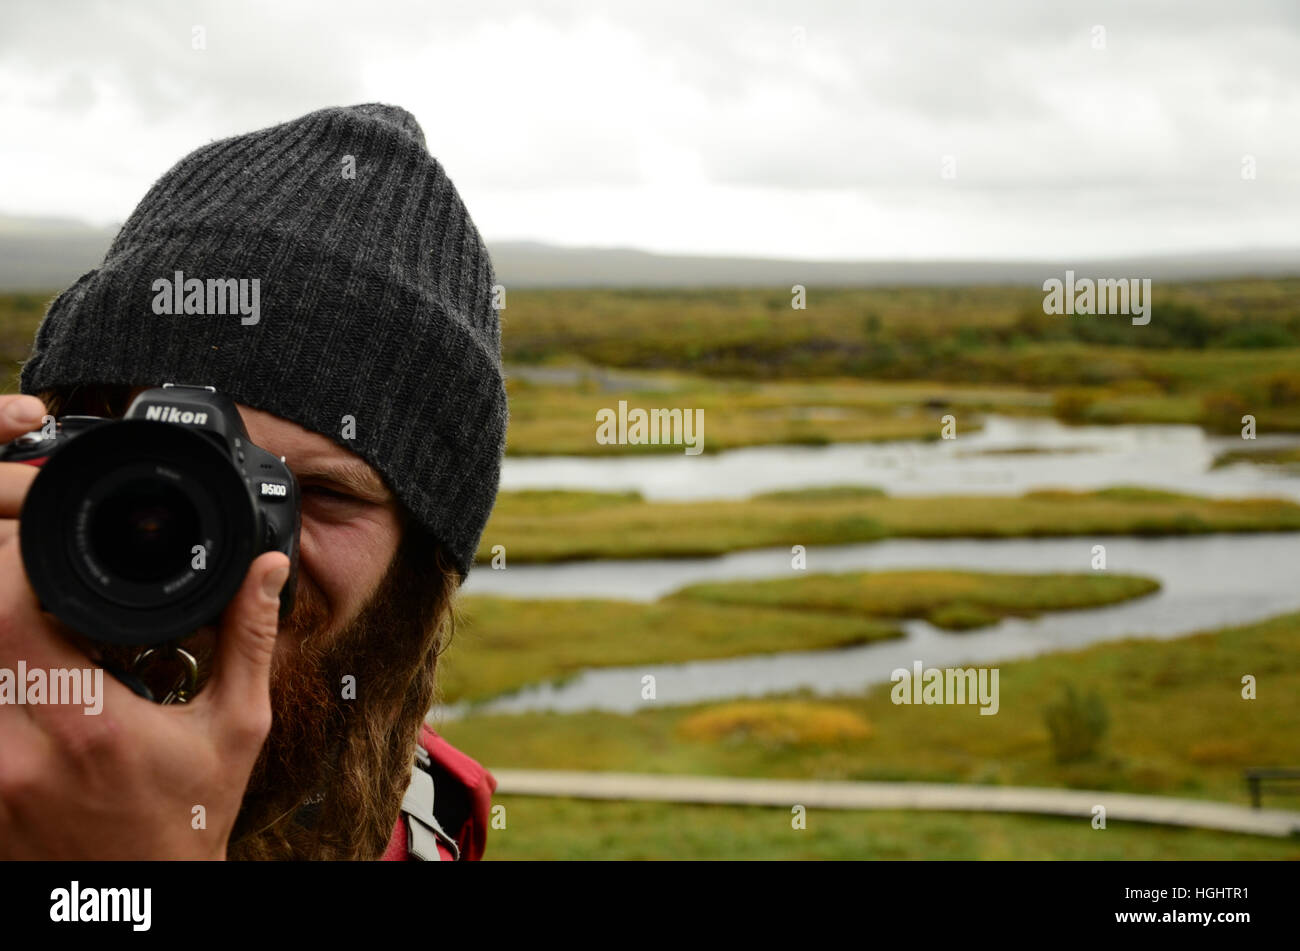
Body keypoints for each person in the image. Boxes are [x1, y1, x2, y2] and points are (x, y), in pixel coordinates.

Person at [0, 104, 508, 861]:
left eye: (322, 495)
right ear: (47, 451)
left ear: (419, 570)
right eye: (165, 471)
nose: (227, 548)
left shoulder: (430, 822)